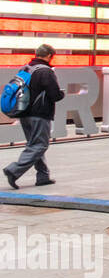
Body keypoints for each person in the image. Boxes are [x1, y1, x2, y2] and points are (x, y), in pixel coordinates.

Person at [4, 44, 64, 189]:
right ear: (49, 55)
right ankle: (14, 170)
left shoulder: (25, 68)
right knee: (40, 145)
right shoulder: (46, 71)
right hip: (39, 114)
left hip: (23, 113)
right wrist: (62, 93)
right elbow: (55, 95)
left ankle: (43, 176)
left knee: (34, 144)